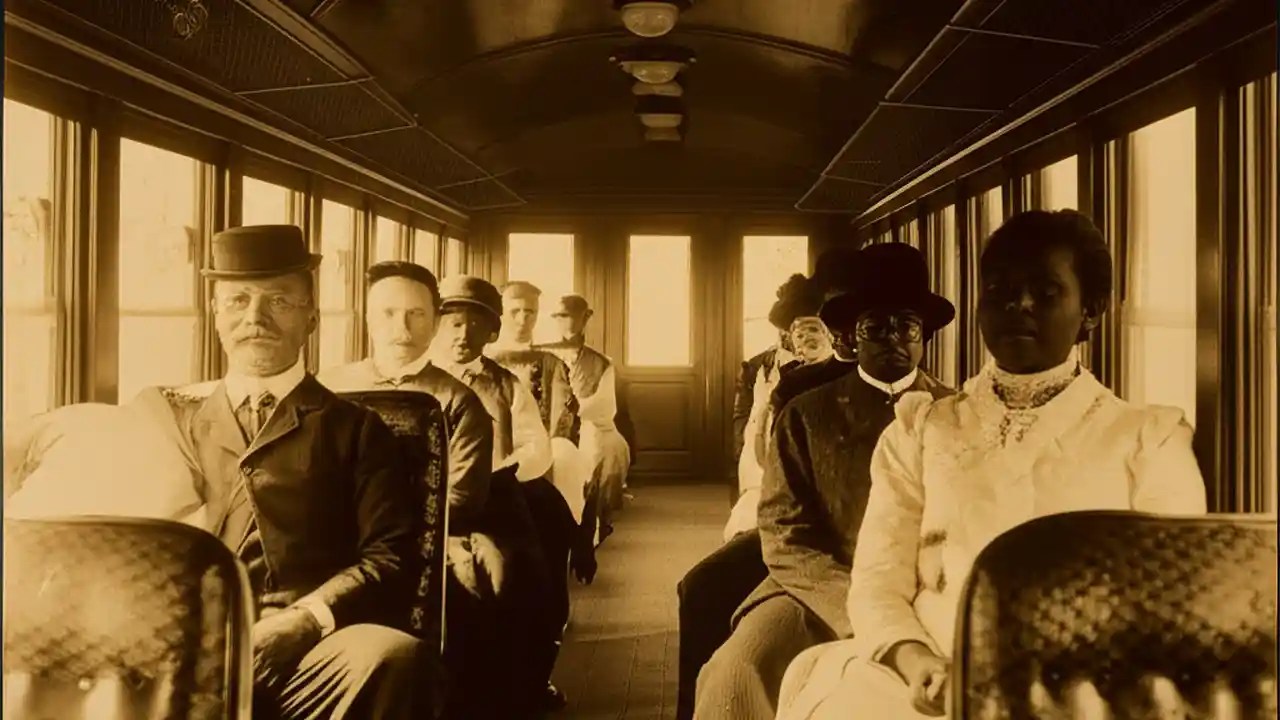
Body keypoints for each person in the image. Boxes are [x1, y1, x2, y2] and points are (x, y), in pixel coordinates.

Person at [775, 210, 1208, 720]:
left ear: (1090, 311)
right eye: (999, 291)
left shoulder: (1148, 440)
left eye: (1045, 292)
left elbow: (1173, 605)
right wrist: (918, 663)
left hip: (1087, 690)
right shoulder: (922, 430)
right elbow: (878, 581)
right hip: (929, 677)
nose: (1018, 306)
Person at [149, 225, 435, 719]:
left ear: (311, 318)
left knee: (391, 658)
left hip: (308, 651)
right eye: (238, 301)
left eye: (278, 301)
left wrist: (307, 619)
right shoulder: (172, 420)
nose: (255, 319)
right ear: (216, 315)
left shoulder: (357, 429)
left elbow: (389, 557)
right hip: (189, 640)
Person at [692, 244, 956, 720]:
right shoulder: (806, 414)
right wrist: (857, 605)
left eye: (907, 326)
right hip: (817, 591)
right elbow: (784, 534)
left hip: (927, 595)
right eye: (875, 327)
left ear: (925, 337)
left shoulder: (956, 416)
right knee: (737, 670)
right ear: (852, 335)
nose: (893, 339)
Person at [542, 293, 632, 546]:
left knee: (602, 447)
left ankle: (592, 522)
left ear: (585, 318)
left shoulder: (601, 363)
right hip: (546, 423)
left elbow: (605, 407)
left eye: (572, 316)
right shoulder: (542, 355)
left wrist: (575, 409)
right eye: (560, 316)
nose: (566, 322)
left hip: (588, 423)